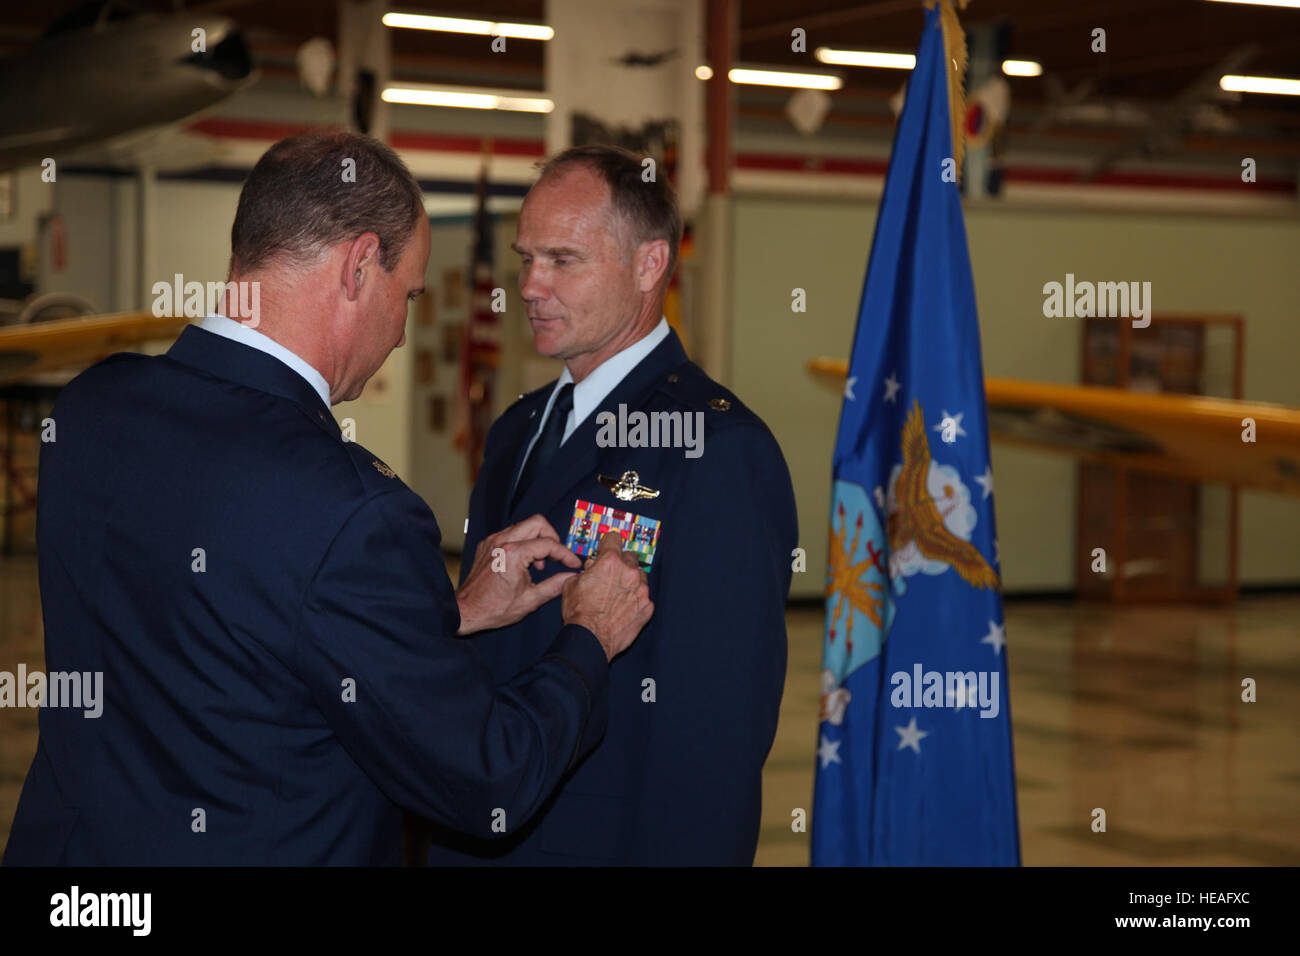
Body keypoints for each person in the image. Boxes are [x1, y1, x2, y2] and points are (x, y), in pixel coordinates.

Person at [1, 130, 652, 866]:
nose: (403, 332)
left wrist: (448, 612)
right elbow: (487, 779)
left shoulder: (92, 408)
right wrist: (589, 637)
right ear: (358, 266)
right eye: (407, 294)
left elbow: (222, 626)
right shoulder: (353, 509)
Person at [426, 145, 797, 866]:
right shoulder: (518, 427)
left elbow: (714, 731)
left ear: (650, 265)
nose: (529, 285)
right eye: (525, 256)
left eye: (563, 260)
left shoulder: (716, 447)